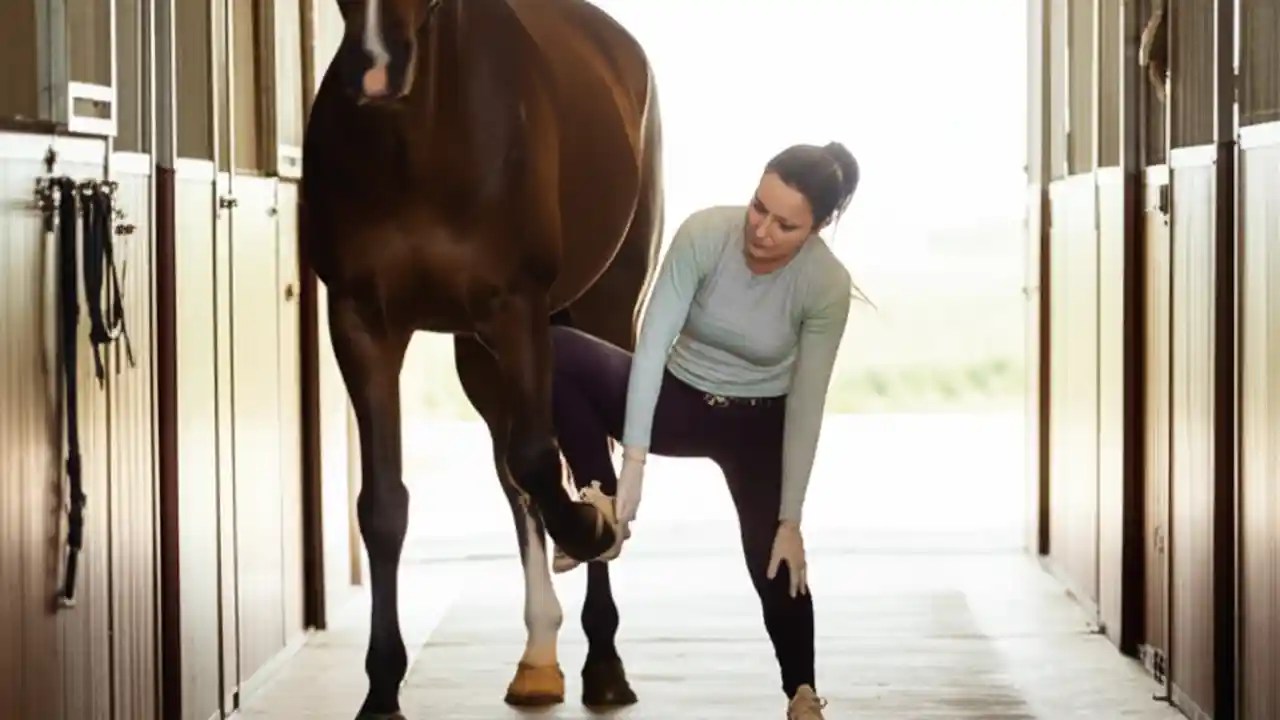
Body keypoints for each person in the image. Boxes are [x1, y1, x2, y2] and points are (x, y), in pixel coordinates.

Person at [549, 141, 859, 720]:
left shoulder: (826, 286)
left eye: (785, 223)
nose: (762, 229)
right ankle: (599, 508)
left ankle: (803, 692)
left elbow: (807, 406)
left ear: (816, 228)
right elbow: (650, 347)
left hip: (757, 424)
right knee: (556, 351)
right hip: (677, 398)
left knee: (776, 556)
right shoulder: (704, 234)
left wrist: (791, 520)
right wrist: (631, 468)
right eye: (757, 206)